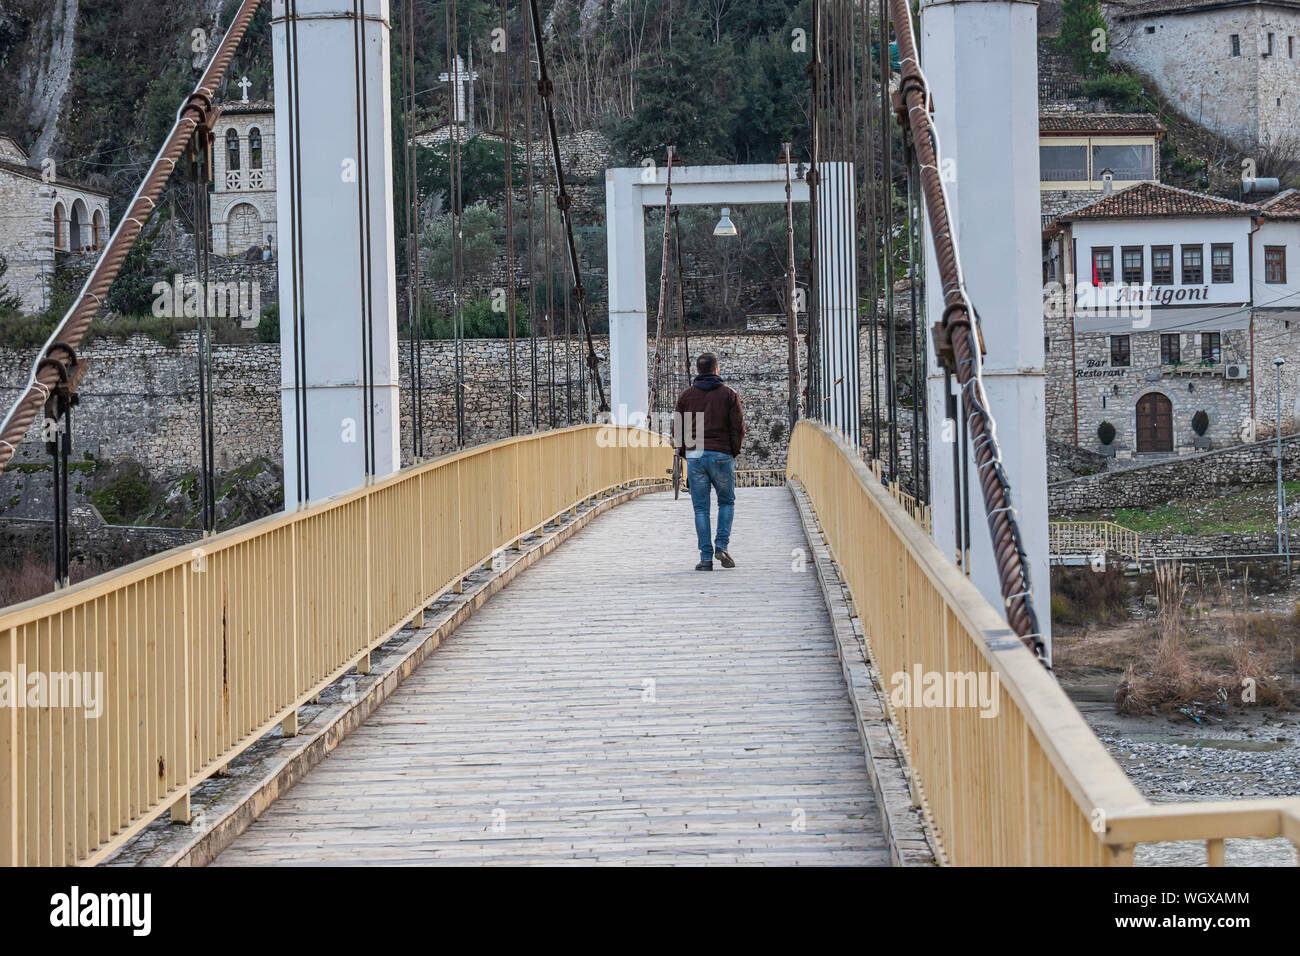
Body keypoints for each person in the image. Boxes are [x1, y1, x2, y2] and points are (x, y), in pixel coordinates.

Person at [673, 352, 745, 570]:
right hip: (722, 454)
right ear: (716, 370)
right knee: (726, 502)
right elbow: (738, 427)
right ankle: (721, 546)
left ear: (697, 371)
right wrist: (732, 451)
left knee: (701, 509)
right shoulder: (729, 395)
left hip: (696, 456)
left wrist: (686, 454)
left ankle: (705, 558)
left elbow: (678, 431)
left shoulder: (686, 396)